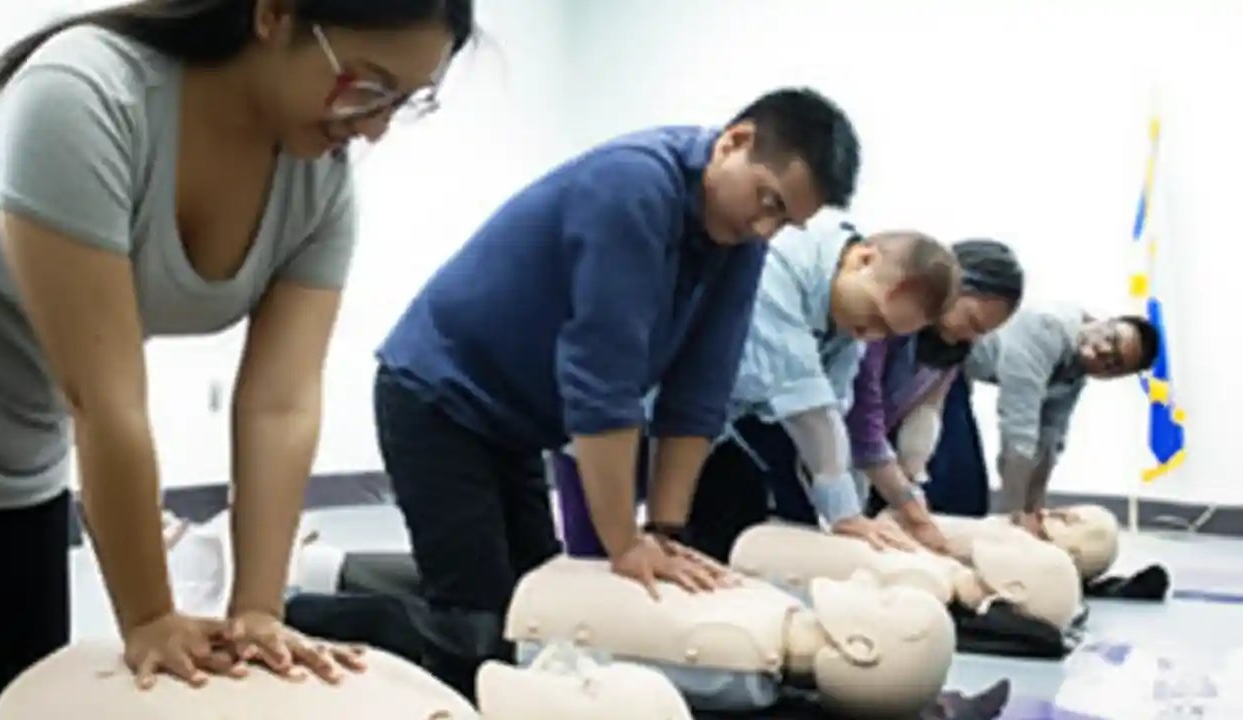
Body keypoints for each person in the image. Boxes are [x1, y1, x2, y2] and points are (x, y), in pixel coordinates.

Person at [0, 0, 472, 715]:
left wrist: (259, 610)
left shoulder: (319, 181)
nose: (375, 127)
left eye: (405, 101)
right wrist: (149, 618)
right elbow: (104, 399)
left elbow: (280, 402)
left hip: (20, 459)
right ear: (273, 15)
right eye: (366, 85)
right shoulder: (82, 95)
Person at [372, 87, 861, 699]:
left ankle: (345, 595)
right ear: (733, 142)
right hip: (439, 394)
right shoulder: (633, 186)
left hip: (516, 420)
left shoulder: (742, 240)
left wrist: (665, 530)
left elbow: (698, 389)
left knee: (535, 598)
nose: (765, 227)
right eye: (768, 202)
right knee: (476, 621)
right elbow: (604, 380)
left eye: (784, 221)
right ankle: (319, 617)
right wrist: (623, 544)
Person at [683, 218, 961, 562]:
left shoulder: (848, 332)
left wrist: (863, 514)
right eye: (875, 316)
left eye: (886, 332)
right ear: (863, 259)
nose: (872, 334)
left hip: (705, 428)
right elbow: (811, 411)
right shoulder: (781, 265)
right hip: (642, 407)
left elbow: (838, 419)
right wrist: (846, 514)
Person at [847, 239, 1024, 552]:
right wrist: (914, 514)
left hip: (868, 449)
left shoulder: (950, 347)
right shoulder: (886, 318)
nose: (969, 336)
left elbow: (928, 408)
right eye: (970, 321)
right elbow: (864, 421)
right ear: (952, 286)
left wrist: (911, 478)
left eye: (981, 332)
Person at [923, 305, 1160, 531]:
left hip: (956, 371)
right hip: (933, 357)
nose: (1104, 352)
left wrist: (1035, 509)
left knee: (967, 496)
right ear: (1101, 321)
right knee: (957, 494)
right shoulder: (1045, 330)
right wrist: (1015, 516)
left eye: (1114, 363)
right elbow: (1018, 434)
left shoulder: (1075, 373)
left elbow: (1049, 441)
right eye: (1111, 339)